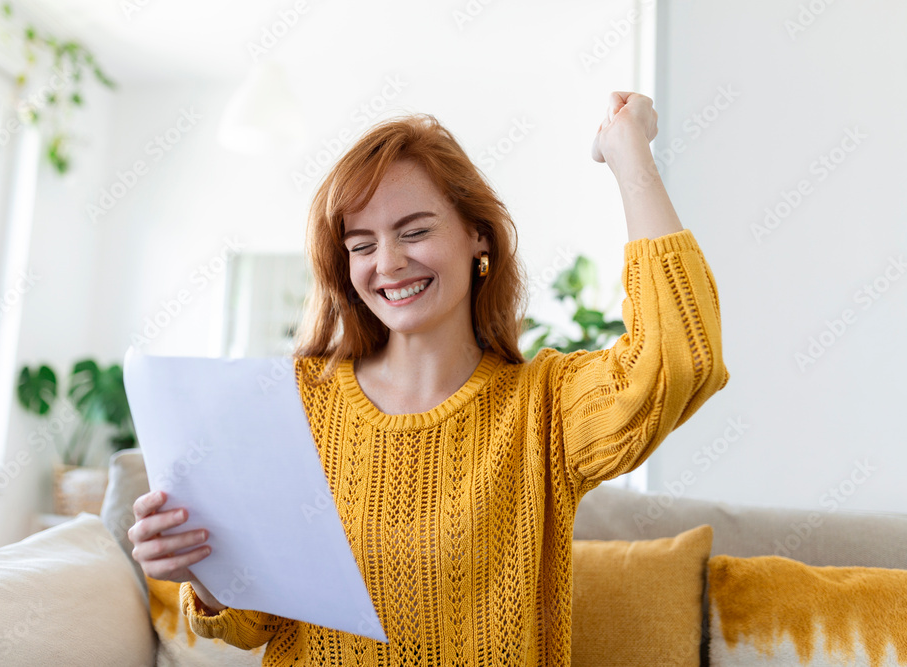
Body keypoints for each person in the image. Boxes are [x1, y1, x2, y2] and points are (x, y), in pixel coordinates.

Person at [128, 91, 730, 665]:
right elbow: (251, 626)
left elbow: (680, 358)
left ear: (479, 237)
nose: (388, 263)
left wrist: (631, 158)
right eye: (361, 244)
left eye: (415, 231)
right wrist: (200, 573)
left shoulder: (544, 408)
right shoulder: (295, 403)